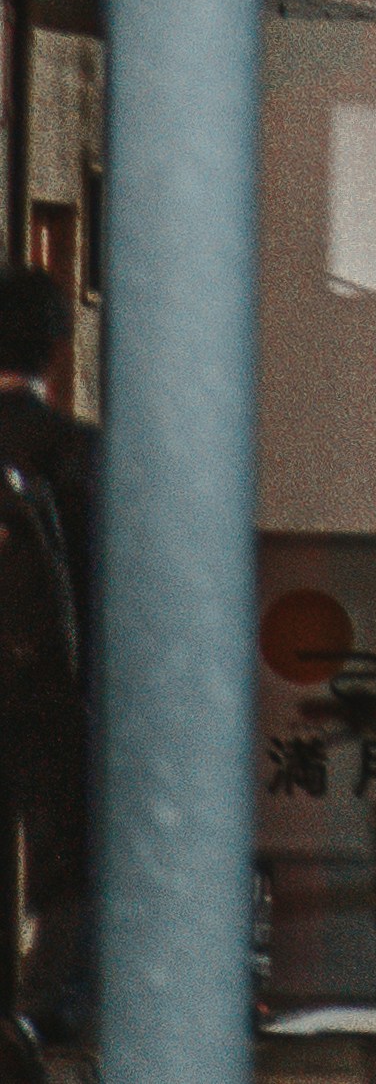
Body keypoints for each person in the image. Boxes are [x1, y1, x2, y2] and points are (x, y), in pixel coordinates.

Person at [0, 262, 93, 1048]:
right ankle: (36, 1006)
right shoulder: (75, 451)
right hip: (48, 683)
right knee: (67, 852)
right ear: (55, 349)